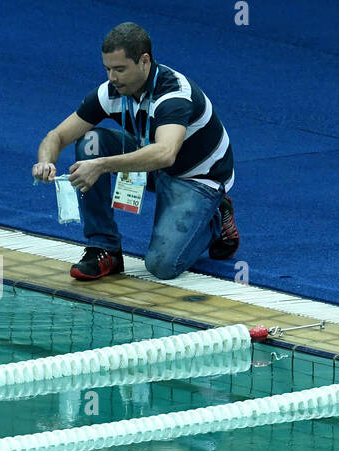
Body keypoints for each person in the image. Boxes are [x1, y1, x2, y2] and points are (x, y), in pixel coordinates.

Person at [33, 22, 237, 280]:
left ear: (144, 61)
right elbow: (58, 135)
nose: (112, 78)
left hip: (195, 176)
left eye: (120, 69)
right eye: (107, 69)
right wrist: (45, 162)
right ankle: (103, 249)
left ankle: (217, 215)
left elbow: (165, 153)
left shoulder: (173, 94)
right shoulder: (112, 92)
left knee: (162, 266)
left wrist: (102, 165)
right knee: (90, 141)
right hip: (154, 162)